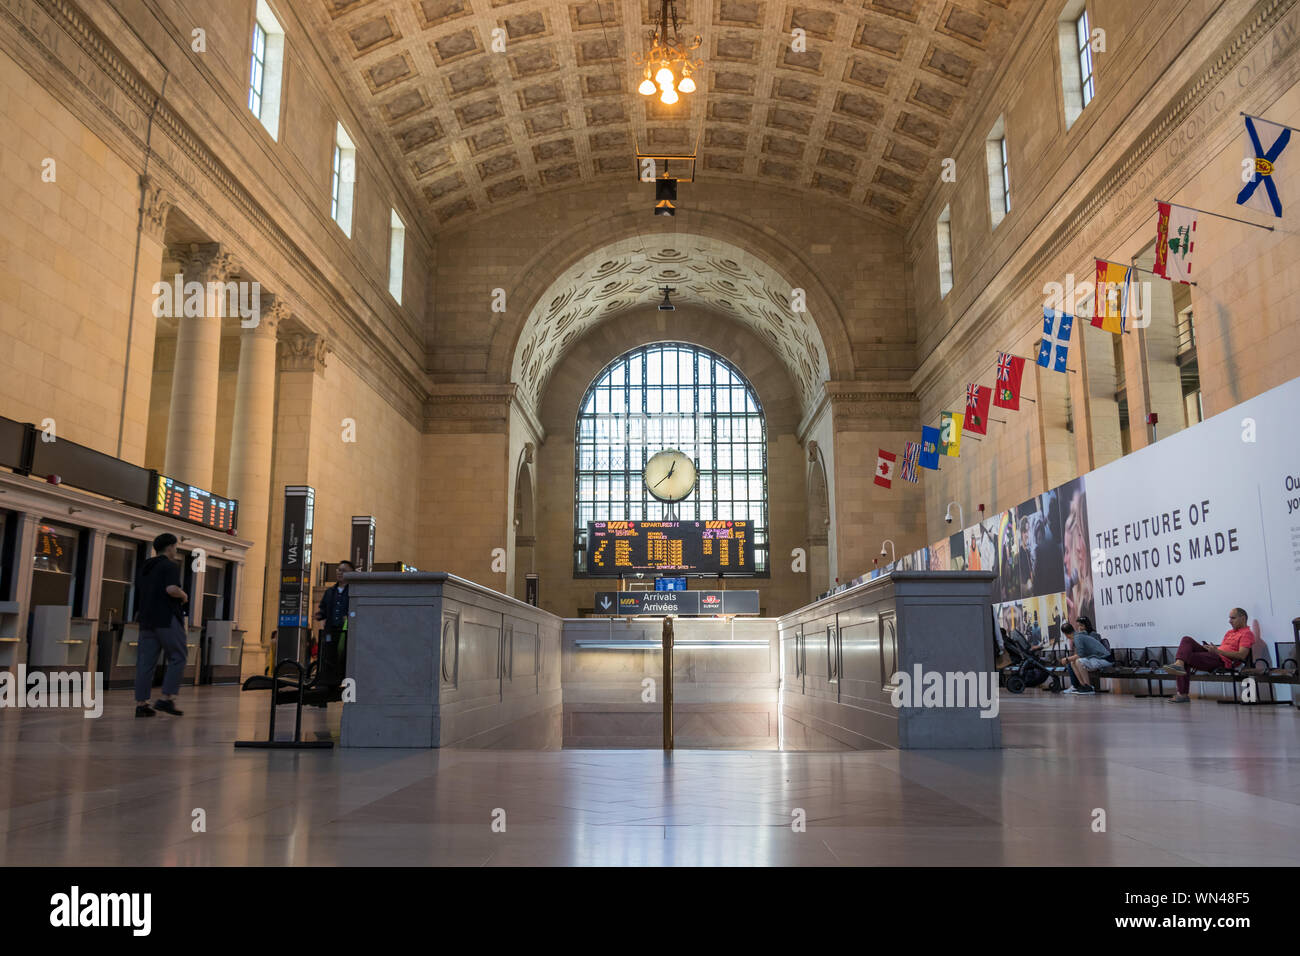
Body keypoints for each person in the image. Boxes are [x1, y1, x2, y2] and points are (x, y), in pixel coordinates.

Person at [134, 532, 188, 717]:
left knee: (145, 662)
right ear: (171, 547)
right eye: (175, 546)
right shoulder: (170, 566)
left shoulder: (145, 566)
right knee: (178, 655)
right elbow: (171, 589)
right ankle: (166, 698)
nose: (176, 550)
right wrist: (183, 595)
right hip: (166, 618)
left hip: (146, 619)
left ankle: (142, 704)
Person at [1161, 608, 1254, 703]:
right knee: (1186, 640)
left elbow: (1241, 655)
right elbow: (1224, 648)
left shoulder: (1247, 634)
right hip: (1214, 654)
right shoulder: (1229, 633)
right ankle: (1179, 664)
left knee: (1186, 656)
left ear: (1242, 618)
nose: (1229, 621)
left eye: (1233, 618)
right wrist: (1210, 649)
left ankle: (1182, 692)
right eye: (1229, 618)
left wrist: (1217, 651)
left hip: (1221, 660)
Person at [314, 560, 354, 687]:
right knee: (327, 657)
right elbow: (324, 609)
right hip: (330, 631)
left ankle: (343, 685)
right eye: (338, 569)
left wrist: (350, 617)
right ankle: (325, 689)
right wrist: (320, 615)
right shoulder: (330, 591)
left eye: (343, 570)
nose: (340, 572)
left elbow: (356, 612)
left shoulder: (354, 592)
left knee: (343, 658)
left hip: (346, 633)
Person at [1061, 620, 1110, 694]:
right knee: (1073, 662)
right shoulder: (1077, 637)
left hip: (1105, 659)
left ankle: (1088, 687)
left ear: (1065, 634)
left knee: (1078, 661)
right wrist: (1070, 659)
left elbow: (1080, 655)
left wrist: (1067, 659)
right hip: (1097, 658)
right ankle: (1083, 685)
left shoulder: (1078, 638)